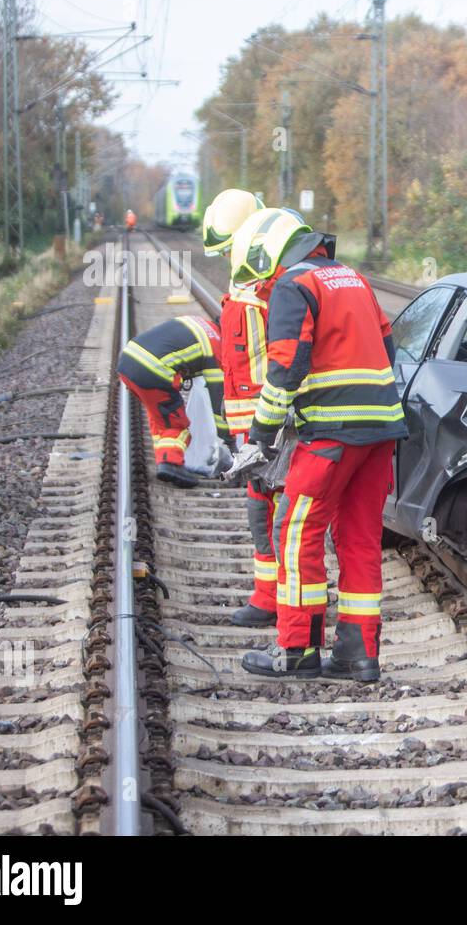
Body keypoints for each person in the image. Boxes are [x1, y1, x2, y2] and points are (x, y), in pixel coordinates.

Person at [225, 209, 406, 681]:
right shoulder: (352, 278)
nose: (262, 288)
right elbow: (387, 349)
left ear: (270, 256)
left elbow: (285, 368)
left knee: (294, 532)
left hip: (331, 434)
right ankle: (359, 654)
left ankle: (296, 650)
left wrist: (260, 437)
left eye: (260, 278)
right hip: (382, 431)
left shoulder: (293, 285)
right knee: (360, 539)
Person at [201, 191, 285, 628]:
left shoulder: (270, 287)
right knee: (262, 512)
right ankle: (267, 597)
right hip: (253, 428)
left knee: (274, 515)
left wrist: (262, 430)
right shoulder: (248, 285)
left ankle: (278, 602)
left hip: (269, 426)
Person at [117, 315, 231, 488]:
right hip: (153, 370)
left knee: (160, 419)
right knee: (175, 424)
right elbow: (218, 397)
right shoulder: (216, 345)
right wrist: (227, 438)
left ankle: (164, 459)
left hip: (128, 362)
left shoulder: (199, 323)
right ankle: (171, 465)